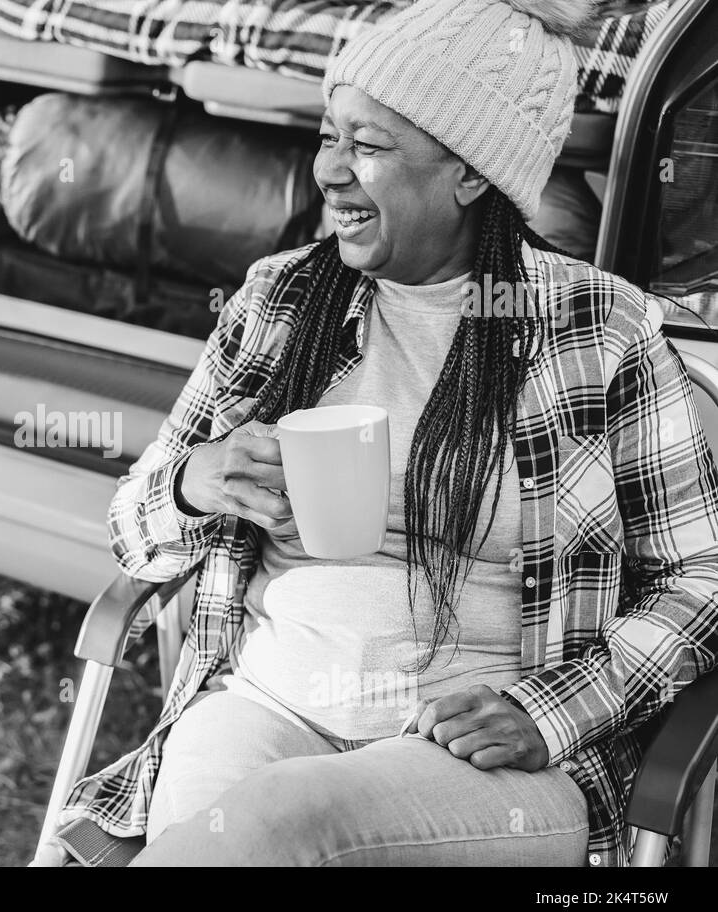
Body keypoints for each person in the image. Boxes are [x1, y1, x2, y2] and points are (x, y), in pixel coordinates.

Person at [54, 0, 718, 867]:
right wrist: (192, 483)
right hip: (264, 707)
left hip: (477, 759)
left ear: (470, 174)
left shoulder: (597, 331)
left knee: (273, 824)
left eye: (367, 146)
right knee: (221, 815)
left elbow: (701, 577)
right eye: (330, 135)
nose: (330, 171)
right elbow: (131, 529)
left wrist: (551, 711)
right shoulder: (279, 301)